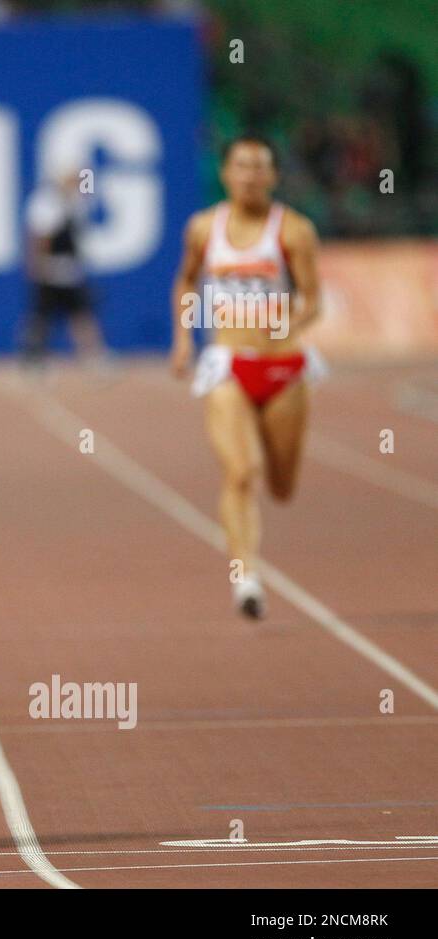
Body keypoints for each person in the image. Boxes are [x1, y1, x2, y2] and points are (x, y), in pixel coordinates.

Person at [171, 135, 324, 618]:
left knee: (280, 485)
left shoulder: (294, 231)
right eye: (242, 166)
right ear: (226, 174)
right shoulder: (203, 228)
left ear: (274, 177)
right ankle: (246, 578)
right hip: (228, 366)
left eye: (260, 167)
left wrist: (289, 323)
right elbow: (186, 279)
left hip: (283, 367)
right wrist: (182, 339)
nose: (251, 175)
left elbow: (313, 297)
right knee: (240, 473)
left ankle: (253, 550)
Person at [19, 167, 107, 367]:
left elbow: (77, 237)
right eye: (70, 179)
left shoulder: (76, 203)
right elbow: (40, 238)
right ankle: (32, 358)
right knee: (41, 316)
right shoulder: (45, 203)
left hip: (70, 270)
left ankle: (93, 356)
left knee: (81, 313)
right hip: (50, 269)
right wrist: (38, 266)